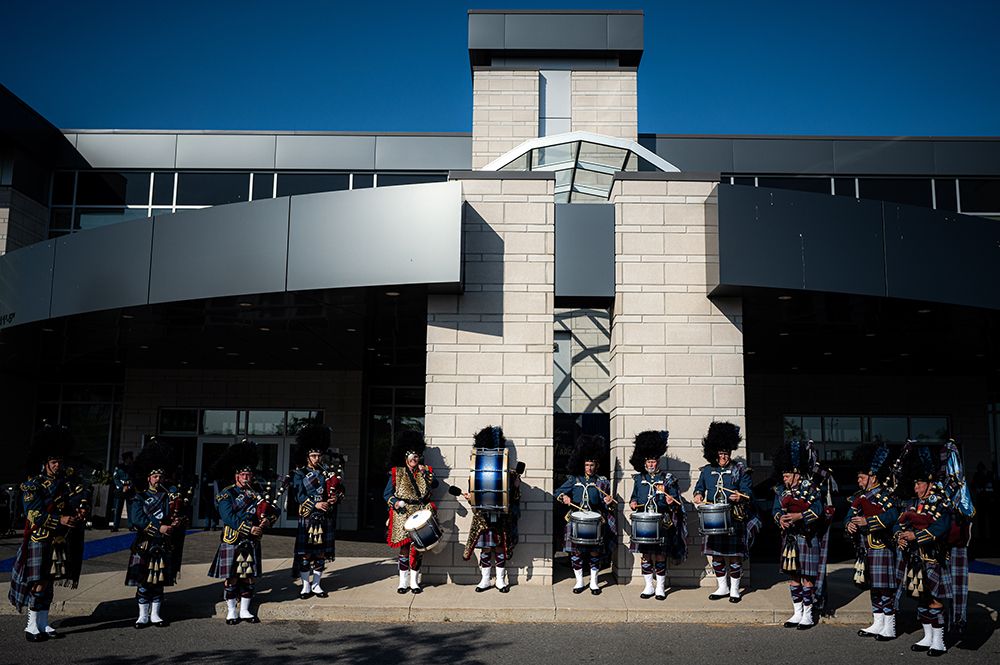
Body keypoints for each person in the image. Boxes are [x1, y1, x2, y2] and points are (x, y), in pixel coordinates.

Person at [8, 424, 89, 642]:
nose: (57, 465)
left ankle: (44, 623)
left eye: (59, 461)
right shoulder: (32, 485)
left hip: (59, 539)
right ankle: (32, 626)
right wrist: (59, 519)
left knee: (50, 581)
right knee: (39, 582)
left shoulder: (66, 484)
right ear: (45, 463)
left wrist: (79, 513)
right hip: (40, 538)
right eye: (54, 462)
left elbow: (76, 502)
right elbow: (33, 514)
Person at [207, 440, 276, 625]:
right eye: (243, 474)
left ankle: (245, 610)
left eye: (249, 474)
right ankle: (231, 611)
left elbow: (273, 511)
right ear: (236, 475)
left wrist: (266, 521)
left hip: (252, 540)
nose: (246, 477)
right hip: (233, 539)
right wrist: (249, 528)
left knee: (248, 577)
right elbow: (228, 517)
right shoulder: (226, 493)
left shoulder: (258, 492)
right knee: (232, 577)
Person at [894, 446, 954, 656]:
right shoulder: (912, 503)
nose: (916, 487)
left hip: (933, 557)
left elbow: (941, 527)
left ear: (929, 483)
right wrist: (900, 537)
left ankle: (939, 641)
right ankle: (927, 636)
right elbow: (898, 525)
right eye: (915, 483)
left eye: (919, 483)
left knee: (934, 598)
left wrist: (916, 536)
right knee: (920, 597)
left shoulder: (939, 503)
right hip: (914, 558)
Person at [125, 438, 188, 628]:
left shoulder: (169, 496)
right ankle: (142, 615)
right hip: (145, 543)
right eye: (154, 477)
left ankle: (156, 615)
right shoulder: (140, 497)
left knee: (159, 580)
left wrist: (176, 522)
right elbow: (137, 519)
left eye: (160, 476)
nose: (158, 479)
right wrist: (158, 527)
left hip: (163, 544)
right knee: (144, 580)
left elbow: (176, 517)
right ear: (148, 478)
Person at [692, 422, 757, 603]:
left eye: (727, 453)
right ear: (714, 453)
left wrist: (740, 497)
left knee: (735, 555)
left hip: (733, 517)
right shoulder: (707, 471)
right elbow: (699, 488)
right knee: (717, 554)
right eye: (721, 454)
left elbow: (749, 492)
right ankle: (722, 587)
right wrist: (697, 495)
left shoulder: (740, 469)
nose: (724, 457)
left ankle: (735, 589)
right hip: (713, 518)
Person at [846, 442, 899, 641]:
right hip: (865, 547)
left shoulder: (886, 495)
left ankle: (890, 625)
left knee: (885, 587)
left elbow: (893, 515)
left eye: (861, 477)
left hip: (882, 546)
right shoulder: (859, 497)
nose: (858, 481)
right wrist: (849, 525)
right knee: (874, 586)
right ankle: (878, 622)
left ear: (872, 476)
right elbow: (848, 516)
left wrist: (868, 521)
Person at [772, 439, 825, 630]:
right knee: (793, 576)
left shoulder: (811, 488)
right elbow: (775, 509)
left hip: (806, 537)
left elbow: (819, 509)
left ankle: (808, 614)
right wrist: (780, 518)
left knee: (807, 577)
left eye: (787, 475)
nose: (784, 478)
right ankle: (797, 612)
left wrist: (799, 516)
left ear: (796, 473)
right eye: (783, 475)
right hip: (790, 539)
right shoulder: (781, 490)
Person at [554, 434, 616, 595]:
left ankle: (594, 582)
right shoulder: (574, 479)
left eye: (592, 464)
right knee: (576, 551)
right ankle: (580, 581)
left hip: (595, 519)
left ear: (597, 465)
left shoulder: (602, 482)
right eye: (587, 464)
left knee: (595, 552)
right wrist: (564, 497)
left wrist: (608, 501)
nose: (589, 468)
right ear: (582, 464)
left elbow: (605, 503)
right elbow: (557, 492)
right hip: (575, 518)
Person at [628, 430, 686, 601]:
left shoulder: (668, 478)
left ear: (658, 461)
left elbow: (676, 501)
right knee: (646, 556)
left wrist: (671, 501)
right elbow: (634, 497)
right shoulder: (639, 479)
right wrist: (632, 503)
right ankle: (648, 586)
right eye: (648, 461)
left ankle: (660, 587)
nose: (651, 464)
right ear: (644, 462)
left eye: (653, 461)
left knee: (660, 555)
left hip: (662, 522)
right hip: (644, 522)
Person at [462, 426, 520, 593]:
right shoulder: (476, 472)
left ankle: (501, 580)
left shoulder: (509, 474)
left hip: (501, 515)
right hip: (483, 516)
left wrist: (516, 487)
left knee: (500, 548)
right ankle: (485, 579)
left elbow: (516, 499)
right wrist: (470, 498)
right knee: (486, 548)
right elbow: (474, 494)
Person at [291, 424, 344, 599]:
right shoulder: (300, 473)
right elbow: (298, 496)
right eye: (313, 455)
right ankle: (305, 586)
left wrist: (336, 498)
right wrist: (316, 503)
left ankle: (317, 585)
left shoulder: (327, 472)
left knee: (320, 553)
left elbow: (339, 490)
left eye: (318, 455)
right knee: (306, 553)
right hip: (308, 516)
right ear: (307, 456)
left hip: (324, 517)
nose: (316, 458)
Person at [384, 430, 438, 594]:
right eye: (412, 456)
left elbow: (435, 485)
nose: (415, 459)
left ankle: (414, 582)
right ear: (406, 457)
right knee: (404, 549)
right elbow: (386, 494)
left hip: (420, 512)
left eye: (417, 456)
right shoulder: (397, 472)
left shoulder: (425, 470)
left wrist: (425, 473)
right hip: (403, 512)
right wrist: (395, 502)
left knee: (418, 549)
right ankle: (403, 582)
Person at [110, 451, 134, 532]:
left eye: (130, 458)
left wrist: (129, 487)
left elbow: (134, 478)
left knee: (130, 509)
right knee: (118, 509)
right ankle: (115, 526)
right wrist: (121, 487)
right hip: (120, 490)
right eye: (128, 458)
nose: (129, 460)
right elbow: (115, 478)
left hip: (129, 490)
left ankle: (131, 525)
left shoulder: (132, 468)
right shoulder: (119, 467)